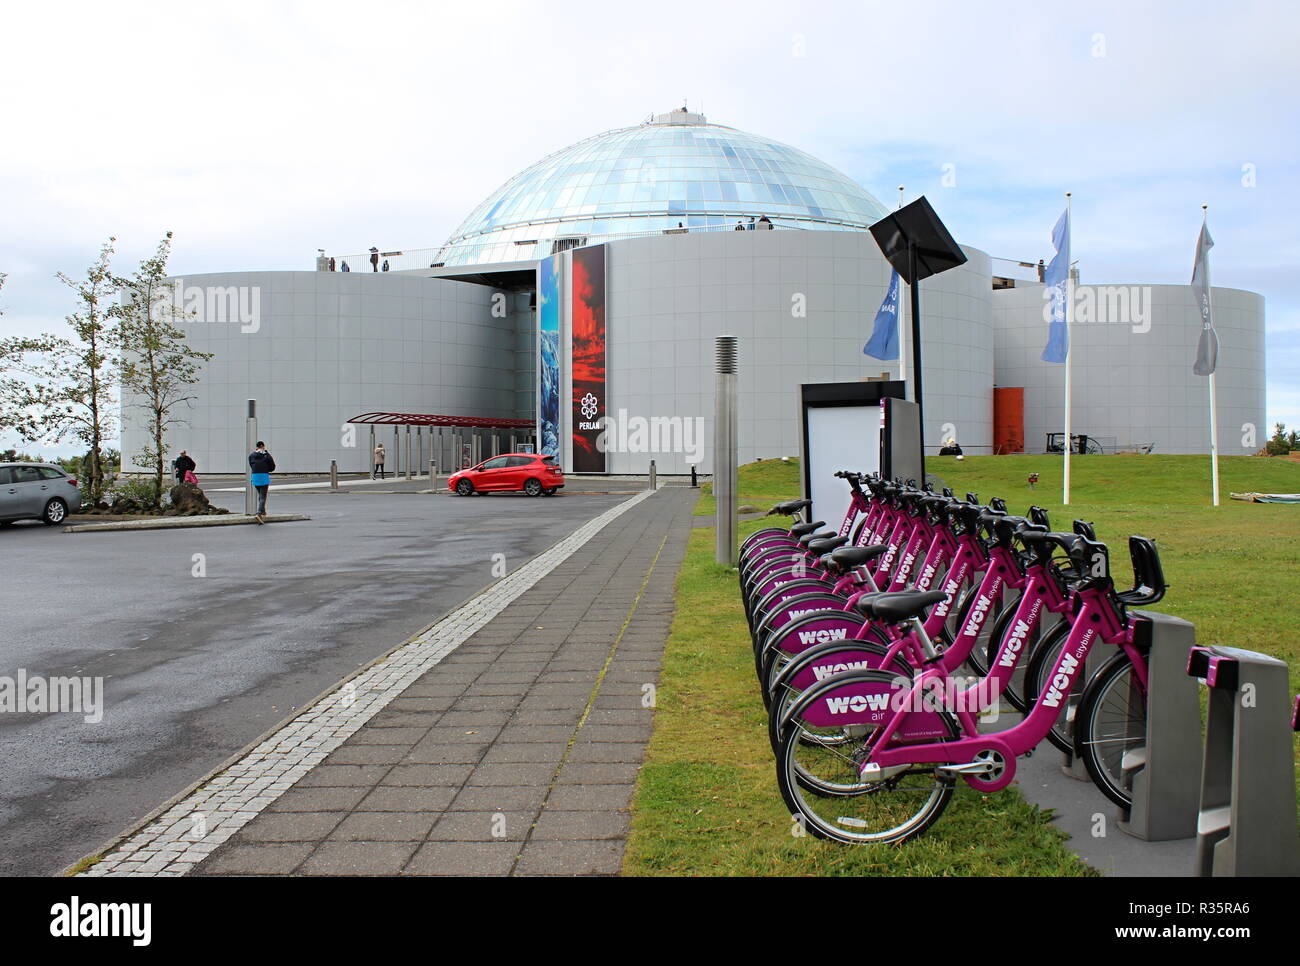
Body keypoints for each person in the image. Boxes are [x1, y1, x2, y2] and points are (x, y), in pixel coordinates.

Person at [248, 441, 275, 523]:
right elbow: (272, 465)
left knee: (260, 494)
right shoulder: (266, 455)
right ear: (263, 446)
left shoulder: (251, 455)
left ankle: (263, 511)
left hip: (255, 476)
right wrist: (267, 469)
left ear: (256, 447)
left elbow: (251, 465)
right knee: (263, 496)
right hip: (263, 476)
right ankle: (259, 513)